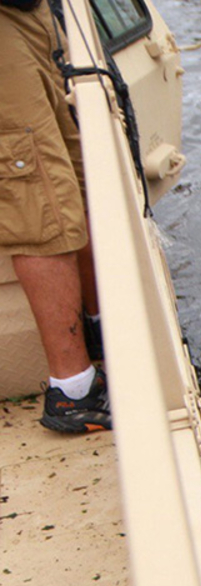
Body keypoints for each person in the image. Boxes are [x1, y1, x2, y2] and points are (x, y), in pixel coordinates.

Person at [3, 0, 108, 433]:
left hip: (33, 12)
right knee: (41, 196)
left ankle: (105, 332)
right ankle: (73, 391)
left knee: (79, 170)